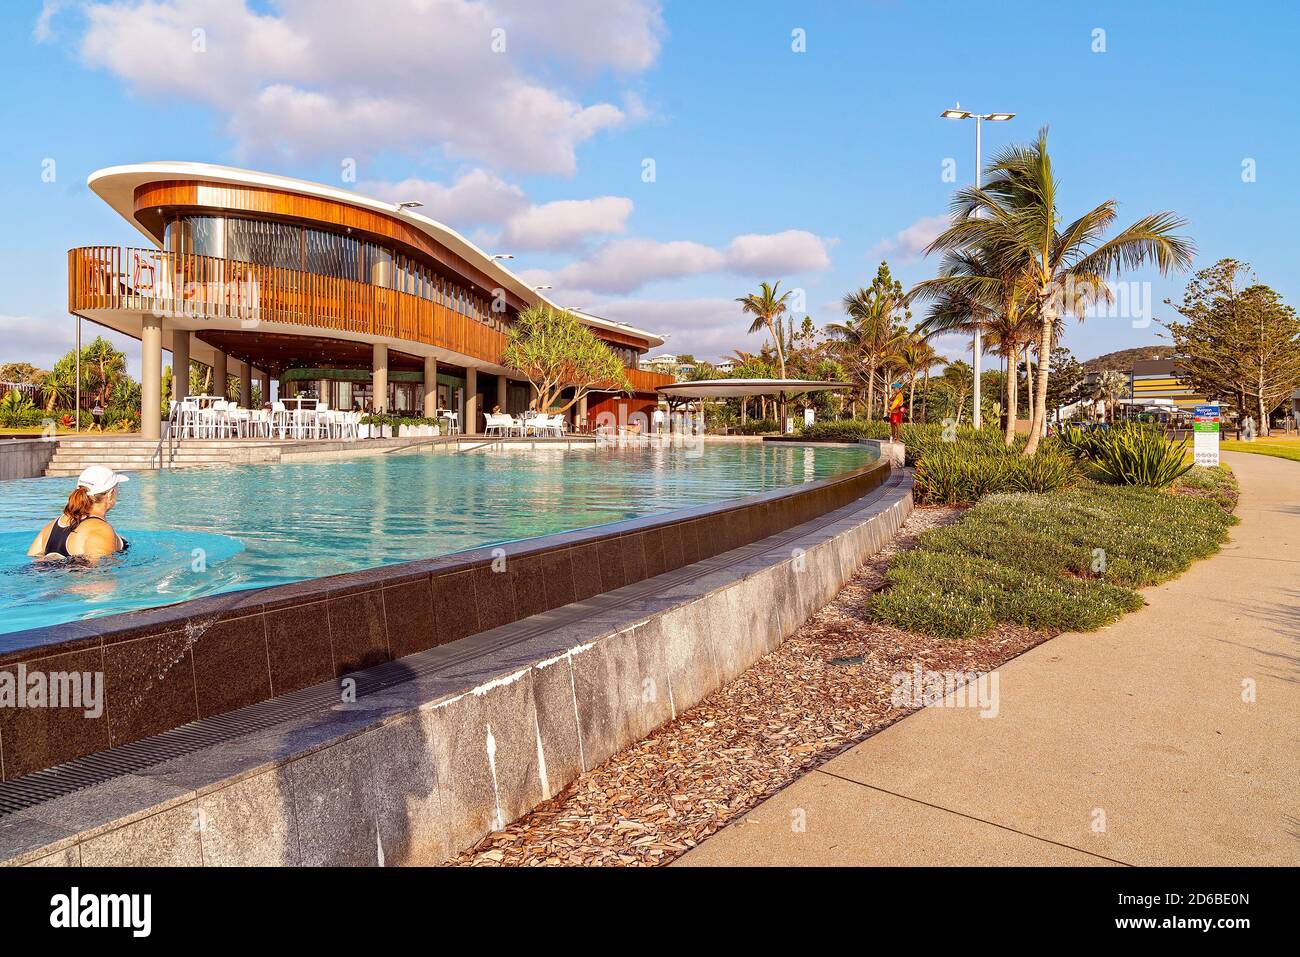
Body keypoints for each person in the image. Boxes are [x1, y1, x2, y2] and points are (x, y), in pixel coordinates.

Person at [27, 466, 130, 561]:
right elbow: (101, 577)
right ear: (111, 494)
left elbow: (34, 560)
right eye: (118, 489)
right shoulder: (101, 530)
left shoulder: (52, 526)